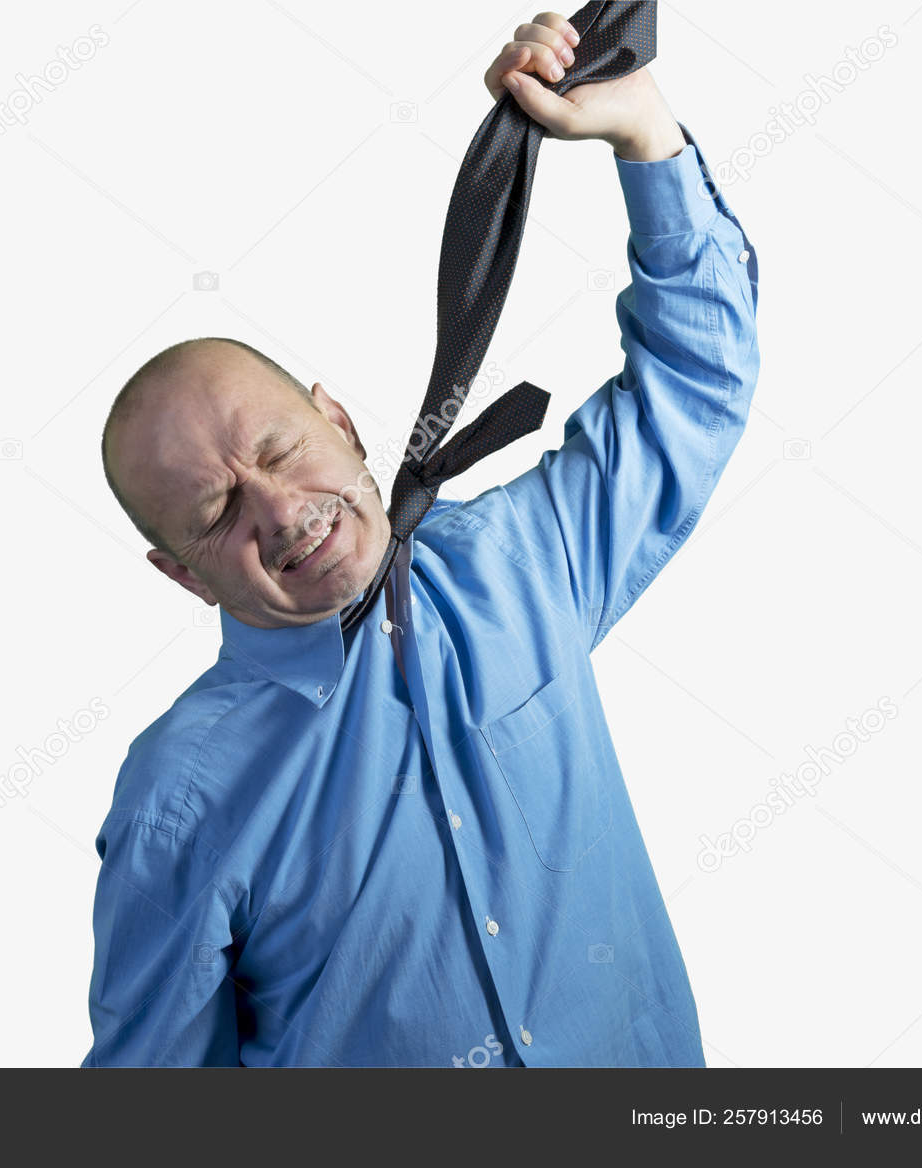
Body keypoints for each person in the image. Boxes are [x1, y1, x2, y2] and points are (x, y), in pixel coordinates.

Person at [85, 11, 760, 1066]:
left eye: (278, 446)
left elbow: (695, 386)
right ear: (181, 575)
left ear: (340, 421)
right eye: (216, 513)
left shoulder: (519, 565)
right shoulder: (182, 799)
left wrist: (642, 134)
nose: (276, 507)